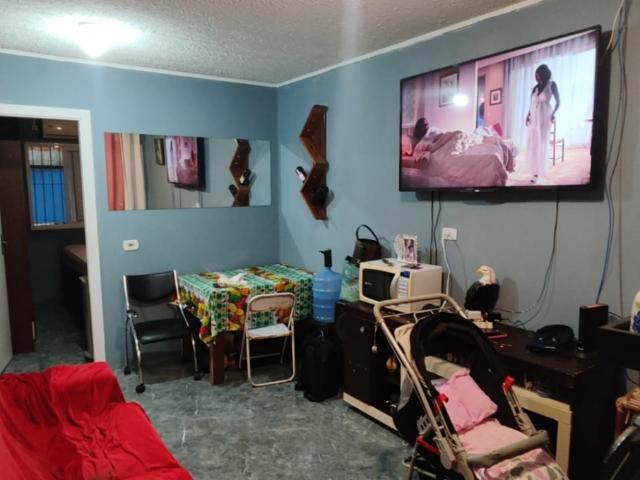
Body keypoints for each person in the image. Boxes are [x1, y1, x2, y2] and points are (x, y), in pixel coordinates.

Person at [525, 64, 560, 180]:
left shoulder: (552, 85)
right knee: (534, 143)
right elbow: (531, 104)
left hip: (544, 116)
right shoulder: (535, 88)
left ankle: (540, 170)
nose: (535, 76)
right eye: (535, 74)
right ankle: (534, 171)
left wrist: (553, 113)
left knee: (542, 142)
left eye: (537, 74)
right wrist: (527, 115)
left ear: (543, 73)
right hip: (534, 117)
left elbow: (558, 101)